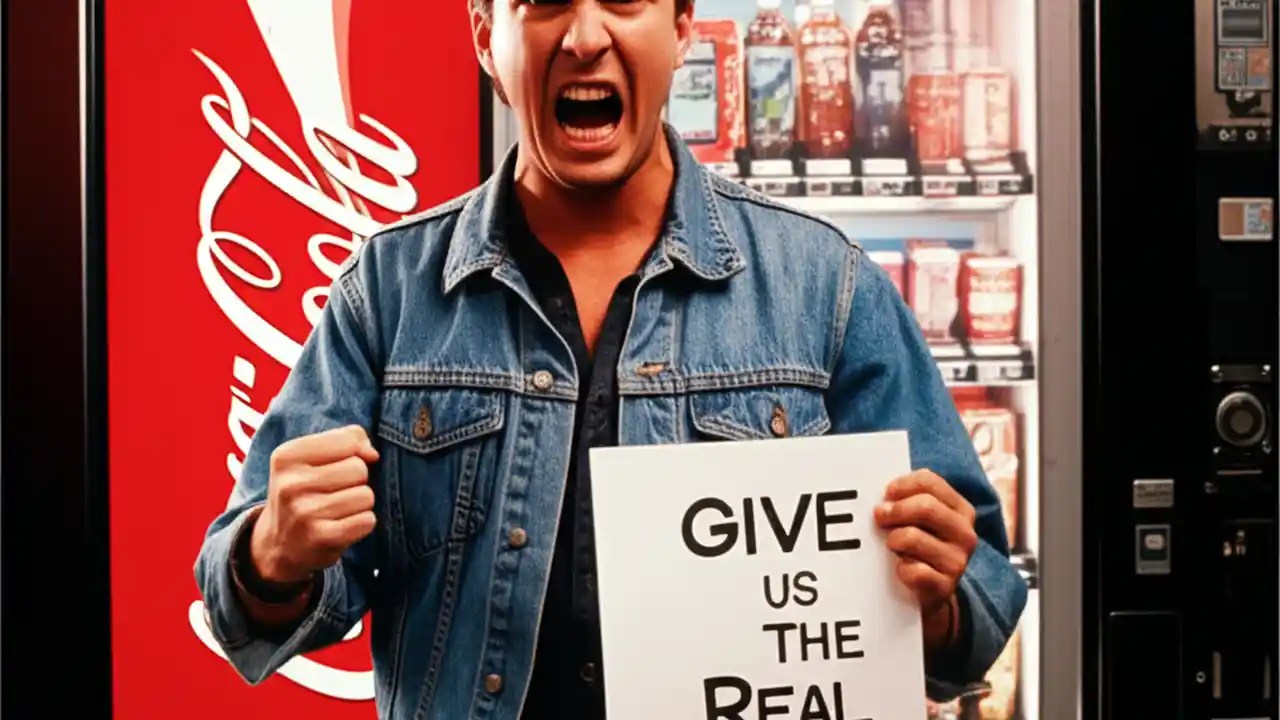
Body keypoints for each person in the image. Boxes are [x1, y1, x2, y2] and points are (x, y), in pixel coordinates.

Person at [193, 0, 1028, 717]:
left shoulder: (828, 286)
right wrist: (273, 557)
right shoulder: (388, 289)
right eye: (544, 1)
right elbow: (246, 609)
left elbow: (981, 613)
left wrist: (942, 592)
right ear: (486, 35)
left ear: (684, 27)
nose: (585, 35)